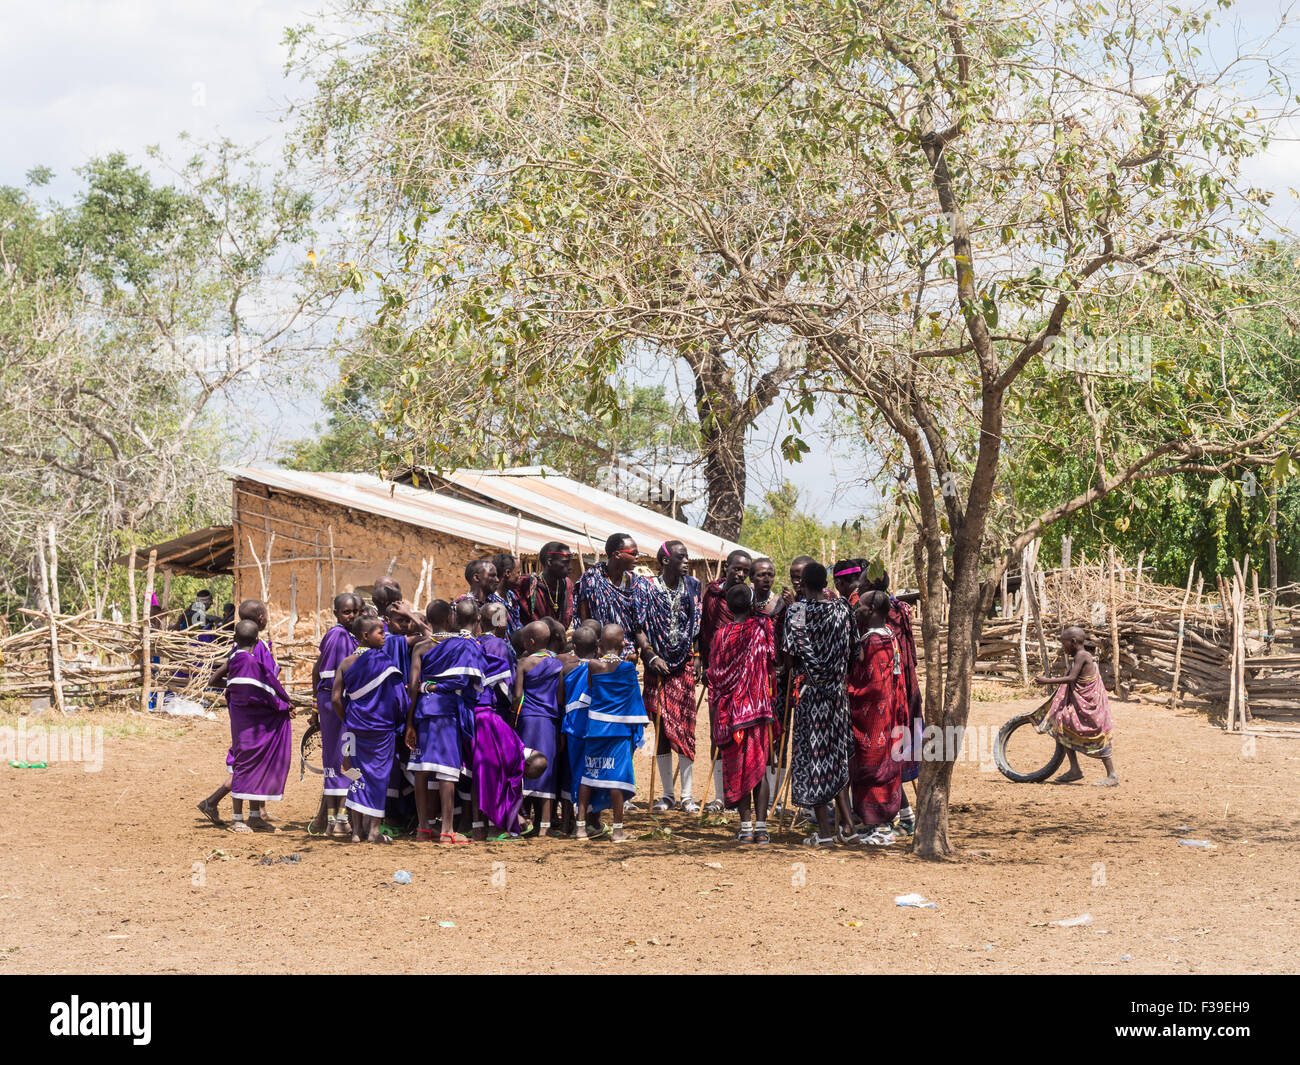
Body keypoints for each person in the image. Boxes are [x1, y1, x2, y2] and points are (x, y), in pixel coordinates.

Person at [783, 562, 857, 847]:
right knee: (837, 759)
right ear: (826, 582)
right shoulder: (842, 610)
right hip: (838, 697)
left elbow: (788, 659)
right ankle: (848, 826)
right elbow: (856, 652)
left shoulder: (796, 612)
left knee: (814, 759)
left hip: (811, 696)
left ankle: (825, 832)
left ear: (804, 584)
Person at [196, 598, 276, 826]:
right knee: (246, 762)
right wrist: (240, 691)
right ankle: (224, 808)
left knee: (255, 761)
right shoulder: (248, 650)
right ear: (261, 618)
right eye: (266, 614)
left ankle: (255, 814)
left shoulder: (256, 645)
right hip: (250, 714)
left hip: (258, 711)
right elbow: (223, 677)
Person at [406, 600, 481, 842]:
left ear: (428, 620)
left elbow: (413, 688)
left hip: (422, 711)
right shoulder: (461, 645)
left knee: (421, 769)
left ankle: (423, 828)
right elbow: (465, 681)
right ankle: (447, 830)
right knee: (447, 770)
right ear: (451, 619)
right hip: (447, 711)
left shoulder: (420, 647)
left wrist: (409, 723)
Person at [707, 583, 776, 844]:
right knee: (758, 770)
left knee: (738, 771)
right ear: (750, 605)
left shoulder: (720, 636)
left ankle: (745, 827)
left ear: (726, 606)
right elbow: (773, 659)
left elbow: (713, 676)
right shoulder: (761, 628)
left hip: (729, 714)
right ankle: (761, 828)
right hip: (757, 710)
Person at [636, 540, 702, 813]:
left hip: (683, 664)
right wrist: (650, 655)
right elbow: (638, 626)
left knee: (686, 729)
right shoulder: (647, 588)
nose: (686, 562)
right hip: (656, 666)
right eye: (681, 557)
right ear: (665, 561)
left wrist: (697, 657)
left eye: (687, 557)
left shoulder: (693, 586)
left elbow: (697, 625)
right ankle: (668, 795)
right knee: (662, 729)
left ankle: (687, 795)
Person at [334, 615, 410, 843]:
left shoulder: (346, 662)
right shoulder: (384, 662)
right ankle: (374, 832)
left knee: (355, 774)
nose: (384, 635)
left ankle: (357, 831)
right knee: (378, 777)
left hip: (353, 729)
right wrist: (400, 718)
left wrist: (348, 718)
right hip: (381, 731)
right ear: (365, 636)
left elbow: (336, 698)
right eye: (379, 632)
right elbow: (400, 701)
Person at [860, 569, 923, 834]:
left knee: (880, 762)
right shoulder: (894, 623)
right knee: (890, 759)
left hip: (882, 706)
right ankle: (905, 815)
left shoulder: (878, 636)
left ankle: (884, 823)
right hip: (896, 699)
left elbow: (873, 681)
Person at [576, 624, 649, 842]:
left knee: (589, 775)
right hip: (618, 731)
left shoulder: (593, 666)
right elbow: (634, 698)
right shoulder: (627, 668)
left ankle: (580, 829)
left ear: (600, 644)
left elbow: (590, 689)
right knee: (617, 779)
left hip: (595, 729)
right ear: (622, 644)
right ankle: (618, 831)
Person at [221, 619, 296, 833]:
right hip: (251, 723)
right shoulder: (251, 663)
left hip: (242, 720)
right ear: (257, 640)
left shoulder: (234, 658)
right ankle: (236, 819)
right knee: (244, 766)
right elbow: (267, 691)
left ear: (235, 639)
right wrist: (284, 706)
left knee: (255, 765)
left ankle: (254, 817)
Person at [847, 590, 908, 845]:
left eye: (860, 606)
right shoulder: (890, 636)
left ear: (871, 610)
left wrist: (848, 690)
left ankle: (880, 826)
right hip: (889, 711)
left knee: (872, 766)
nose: (856, 609)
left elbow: (873, 685)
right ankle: (877, 824)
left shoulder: (872, 642)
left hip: (874, 716)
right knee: (884, 764)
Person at [698, 549, 752, 812]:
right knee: (717, 734)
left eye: (745, 570)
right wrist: (704, 663)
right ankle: (720, 796)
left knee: (741, 736)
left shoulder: (749, 599)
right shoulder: (712, 595)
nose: (741, 574)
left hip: (744, 679)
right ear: (726, 568)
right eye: (736, 569)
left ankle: (738, 796)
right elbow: (705, 630)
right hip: (717, 676)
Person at [1035, 625, 1119, 786]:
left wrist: (1047, 681)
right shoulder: (1079, 657)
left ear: (1073, 642)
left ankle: (1112, 775)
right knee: (1062, 723)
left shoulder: (1082, 655)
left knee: (1098, 736)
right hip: (1082, 705)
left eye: (1063, 643)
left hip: (1089, 706)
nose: (1062, 646)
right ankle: (1075, 769)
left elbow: (1072, 678)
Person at [308, 593, 360, 837]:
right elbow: (328, 676)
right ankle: (334, 822)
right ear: (337, 613)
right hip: (336, 704)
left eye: (356, 612)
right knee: (338, 761)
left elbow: (315, 668)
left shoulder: (349, 636)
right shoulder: (338, 635)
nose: (352, 616)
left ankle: (336, 820)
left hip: (338, 704)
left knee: (344, 760)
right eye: (347, 612)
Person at [514, 620, 565, 835]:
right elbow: (560, 697)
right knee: (547, 770)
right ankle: (544, 827)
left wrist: (512, 718)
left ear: (531, 642)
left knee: (523, 767)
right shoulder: (558, 665)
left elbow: (517, 696)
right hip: (549, 721)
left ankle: (521, 818)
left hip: (526, 720)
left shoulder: (523, 664)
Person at [559, 623, 603, 833]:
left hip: (573, 726)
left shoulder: (567, 668)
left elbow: (560, 699)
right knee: (594, 770)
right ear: (597, 646)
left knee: (577, 771)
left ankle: (578, 821)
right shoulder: (601, 668)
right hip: (594, 727)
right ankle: (593, 820)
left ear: (573, 646)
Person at [517, 542, 576, 628]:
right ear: (549, 562)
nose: (570, 567)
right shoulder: (528, 585)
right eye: (565, 562)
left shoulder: (567, 584)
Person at [490, 552, 524, 636]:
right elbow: (495, 632)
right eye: (518, 572)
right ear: (508, 573)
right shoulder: (491, 601)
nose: (521, 576)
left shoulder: (511, 595)